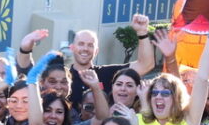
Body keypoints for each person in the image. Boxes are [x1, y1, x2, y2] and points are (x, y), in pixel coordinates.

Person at [17, 14, 155, 110]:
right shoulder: (62, 79)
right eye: (81, 44)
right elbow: (27, 74)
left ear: (96, 51)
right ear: (72, 47)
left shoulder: (109, 74)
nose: (85, 48)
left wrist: (142, 32)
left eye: (90, 45)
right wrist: (25, 48)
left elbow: (145, 65)